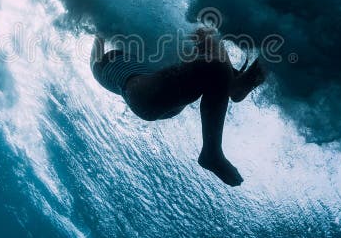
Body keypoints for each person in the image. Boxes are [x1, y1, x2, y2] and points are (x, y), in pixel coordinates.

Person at [91, 28, 265, 186]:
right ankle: (212, 150)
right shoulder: (106, 63)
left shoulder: (146, 48)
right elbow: (95, 55)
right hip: (143, 94)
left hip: (157, 97)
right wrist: (98, 31)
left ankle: (241, 78)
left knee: (212, 61)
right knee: (211, 53)